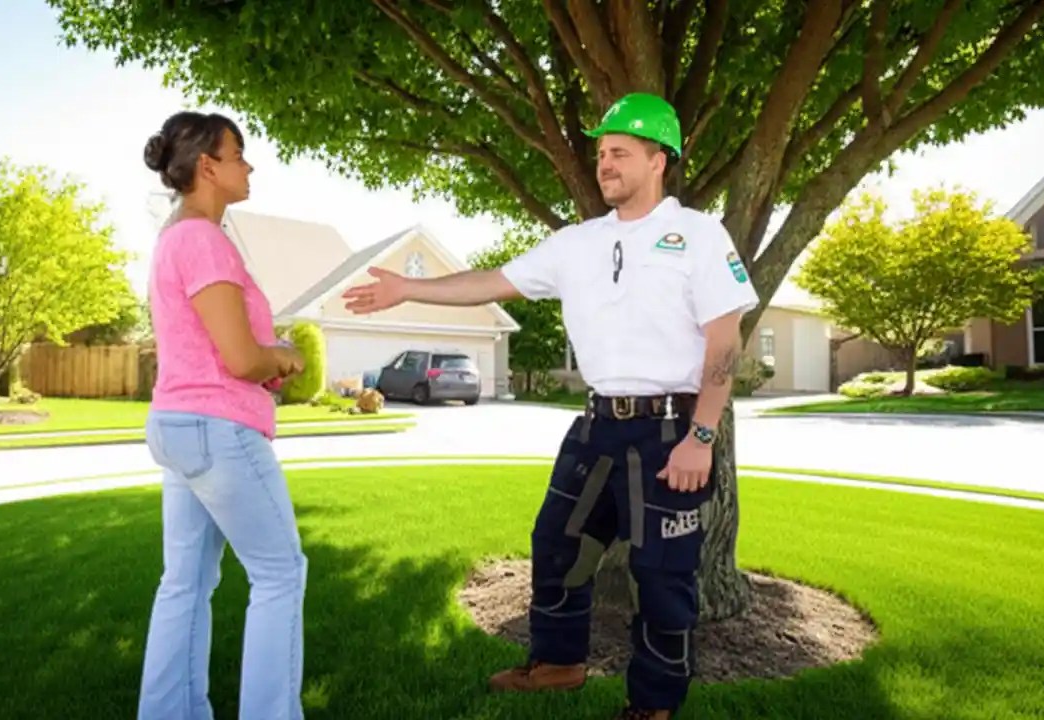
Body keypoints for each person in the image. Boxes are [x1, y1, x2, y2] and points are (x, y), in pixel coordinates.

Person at [342, 93, 759, 719]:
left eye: (619, 152)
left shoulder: (697, 235)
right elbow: (491, 281)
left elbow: (724, 341)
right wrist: (409, 289)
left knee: (662, 576)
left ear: (658, 160)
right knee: (557, 543)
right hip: (596, 427)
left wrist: (701, 437)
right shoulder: (577, 244)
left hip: (670, 431)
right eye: (600, 154)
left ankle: (654, 703)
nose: (605, 163)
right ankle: (559, 663)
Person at [139, 110, 309, 720]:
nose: (248, 166)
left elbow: (209, 345)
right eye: (238, 156)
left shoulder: (173, 238)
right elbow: (238, 358)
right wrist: (281, 355)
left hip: (180, 427)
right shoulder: (204, 240)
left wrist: (262, 360)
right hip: (219, 429)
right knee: (280, 574)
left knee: (184, 582)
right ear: (208, 167)